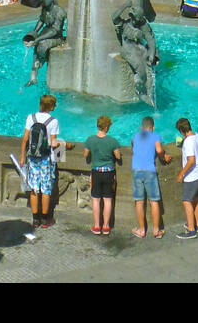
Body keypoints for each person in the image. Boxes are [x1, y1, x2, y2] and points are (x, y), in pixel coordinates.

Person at [21, 94, 72, 230]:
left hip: (32, 157)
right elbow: (54, 143)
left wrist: (22, 157)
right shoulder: (53, 121)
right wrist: (66, 145)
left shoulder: (31, 117)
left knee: (34, 188)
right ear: (51, 106)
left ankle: (35, 220)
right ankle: (44, 219)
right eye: (54, 104)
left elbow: (25, 139)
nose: (55, 106)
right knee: (45, 189)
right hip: (46, 159)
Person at [130, 116, 172, 238]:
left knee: (139, 201)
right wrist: (164, 156)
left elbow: (133, 146)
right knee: (154, 201)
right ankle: (156, 231)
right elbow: (159, 150)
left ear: (141, 127)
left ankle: (141, 230)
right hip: (149, 171)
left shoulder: (135, 136)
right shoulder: (155, 136)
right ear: (153, 127)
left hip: (136, 170)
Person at [84, 115, 123, 235]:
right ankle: (106, 226)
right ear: (106, 127)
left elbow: (85, 154)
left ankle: (97, 226)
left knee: (96, 200)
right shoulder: (112, 141)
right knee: (107, 200)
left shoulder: (90, 139)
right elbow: (118, 156)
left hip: (96, 172)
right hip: (109, 172)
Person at [174, 117, 198, 239]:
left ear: (181, 130)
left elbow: (191, 160)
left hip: (192, 176)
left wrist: (181, 174)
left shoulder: (188, 142)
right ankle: (197, 225)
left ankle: (191, 230)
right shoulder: (197, 136)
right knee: (196, 199)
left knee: (186, 200)